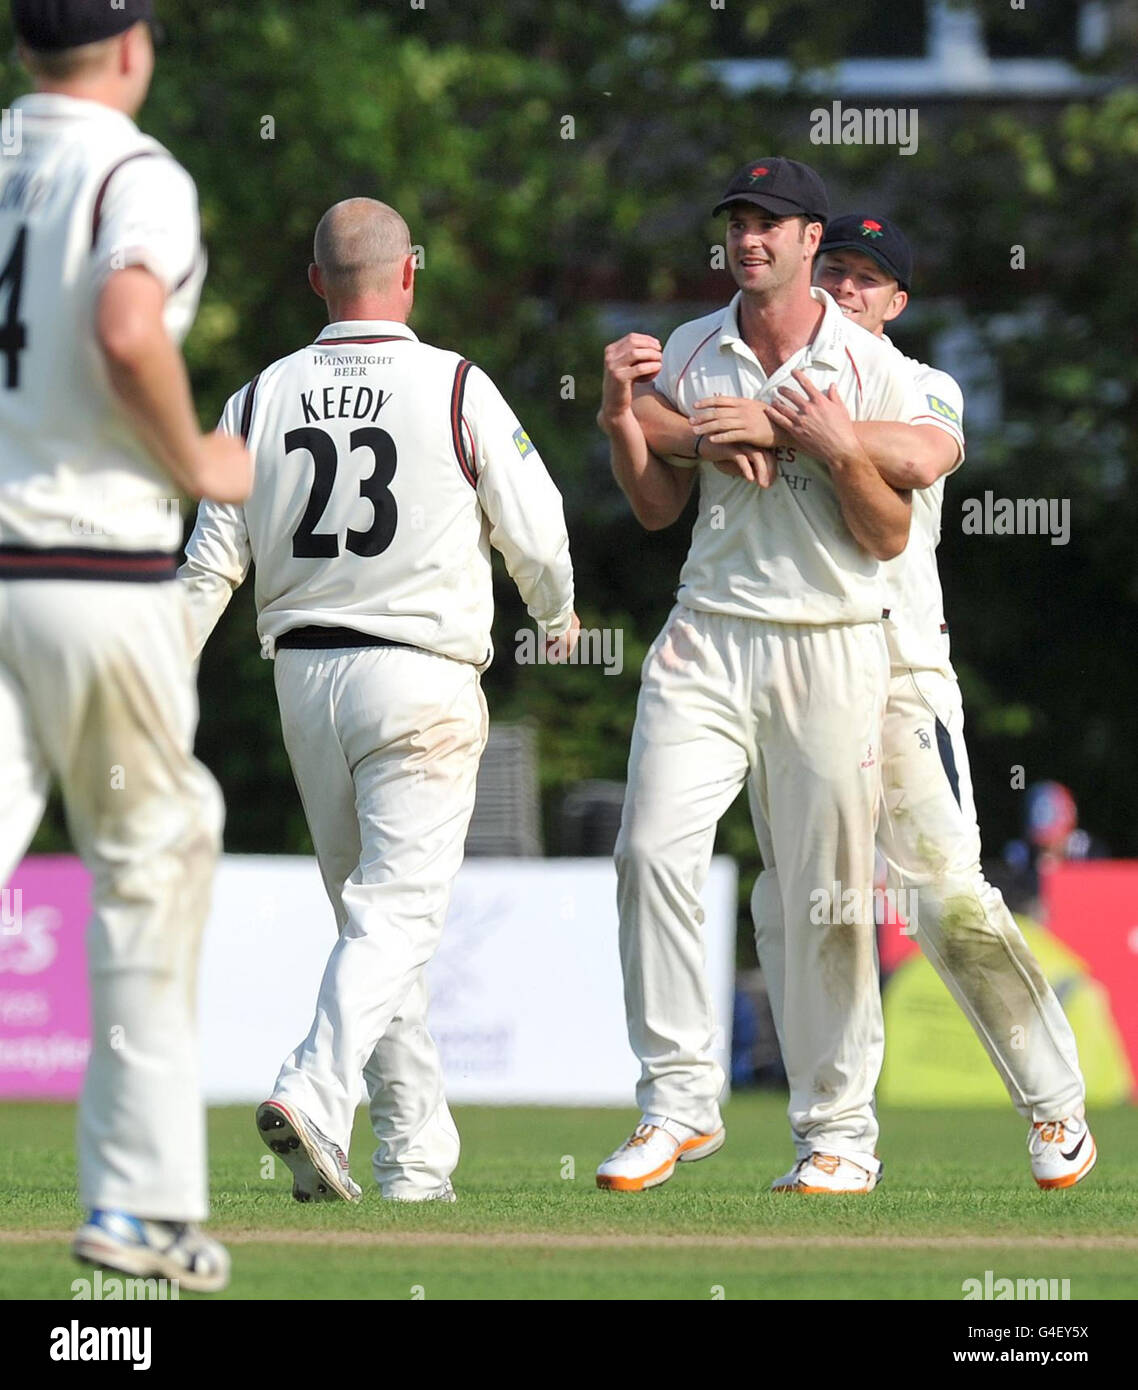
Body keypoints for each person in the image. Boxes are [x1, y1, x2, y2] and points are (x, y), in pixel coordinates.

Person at [179, 198, 578, 1202]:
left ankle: (412, 1161)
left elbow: (206, 568)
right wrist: (556, 609)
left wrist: (153, 679)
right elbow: (534, 522)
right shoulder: (454, 384)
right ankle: (315, 1094)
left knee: (373, 924)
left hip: (303, 679)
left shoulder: (260, 395)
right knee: (393, 922)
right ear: (410, 274)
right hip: (420, 677)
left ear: (318, 280)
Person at [726, 213, 1094, 1190]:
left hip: (899, 676)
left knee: (946, 896)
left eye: (866, 280)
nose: (846, 289)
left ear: (896, 301)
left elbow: (923, 455)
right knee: (817, 904)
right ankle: (837, 1138)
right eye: (833, 271)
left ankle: (1055, 1105)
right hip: (797, 679)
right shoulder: (754, 372)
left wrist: (808, 432)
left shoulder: (920, 382)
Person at [595, 157, 928, 1195]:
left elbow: (886, 530)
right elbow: (655, 505)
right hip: (706, 636)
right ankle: (675, 1104)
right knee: (648, 850)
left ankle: (837, 1135)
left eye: (770, 224)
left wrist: (801, 439)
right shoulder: (696, 346)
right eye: (737, 221)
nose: (748, 239)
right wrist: (631, 417)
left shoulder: (865, 362)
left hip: (830, 637)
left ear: (809, 243)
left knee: (822, 897)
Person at [0, 1, 252, 1288]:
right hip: (89, 567)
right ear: (135, 47)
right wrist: (198, 457)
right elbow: (125, 325)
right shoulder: (134, 169)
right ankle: (141, 1211)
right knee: (152, 860)